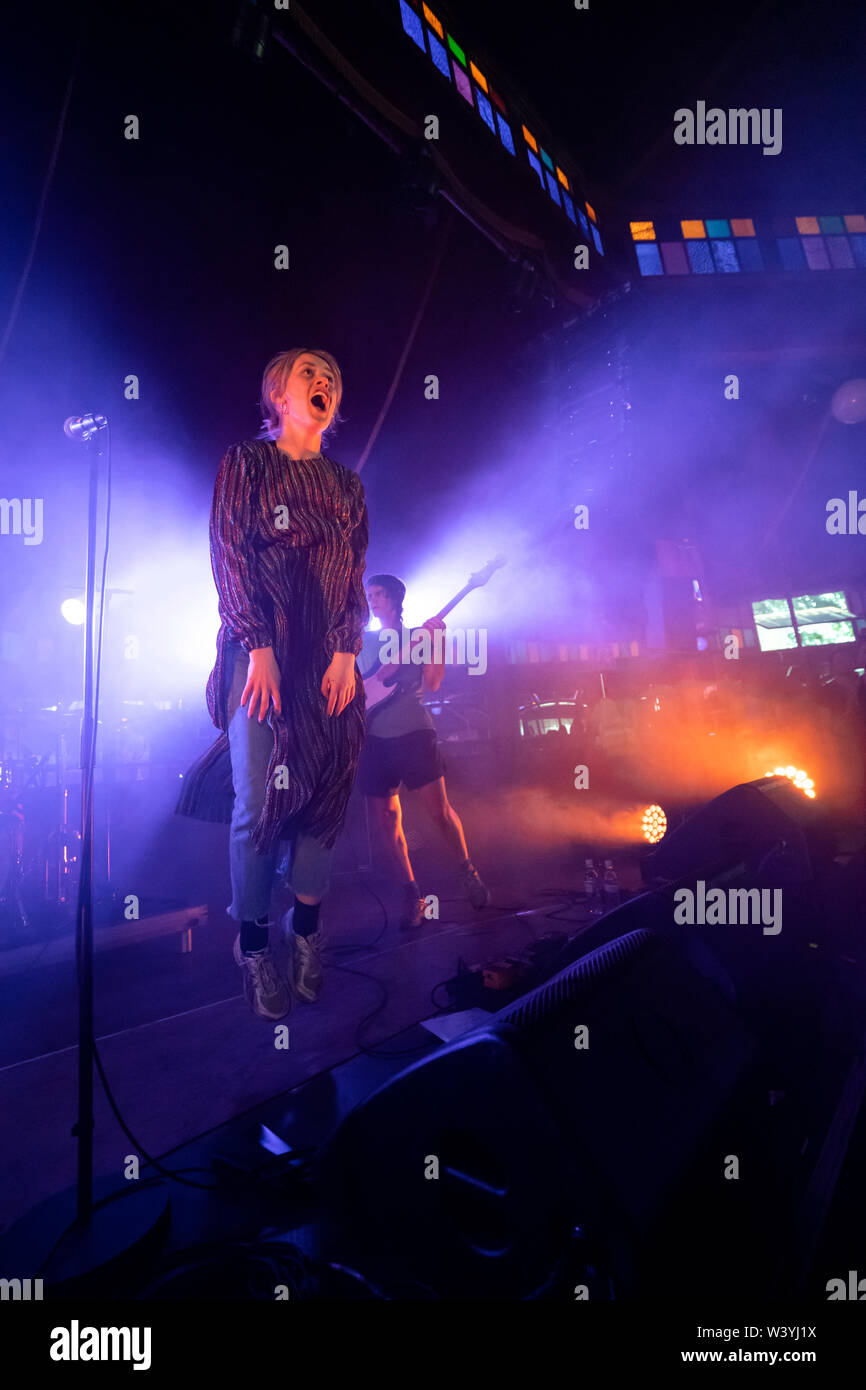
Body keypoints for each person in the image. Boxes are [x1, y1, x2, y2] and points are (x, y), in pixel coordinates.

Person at [177, 349, 369, 1019]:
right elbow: (228, 553)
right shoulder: (246, 464)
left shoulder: (346, 486)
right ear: (279, 396)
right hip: (261, 654)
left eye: (332, 376)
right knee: (259, 801)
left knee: (325, 794)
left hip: (327, 660)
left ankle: (306, 934)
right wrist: (257, 646)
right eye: (308, 372)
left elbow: (352, 576)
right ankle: (254, 945)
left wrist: (347, 652)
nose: (324, 381)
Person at [357, 574, 490, 928]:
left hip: (414, 732)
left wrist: (438, 642)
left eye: (380, 594)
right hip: (372, 738)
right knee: (387, 821)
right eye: (369, 595)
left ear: (396, 598)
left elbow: (432, 683)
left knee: (439, 813)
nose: (373, 600)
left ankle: (467, 871)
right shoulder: (360, 641)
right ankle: (412, 896)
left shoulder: (417, 636)